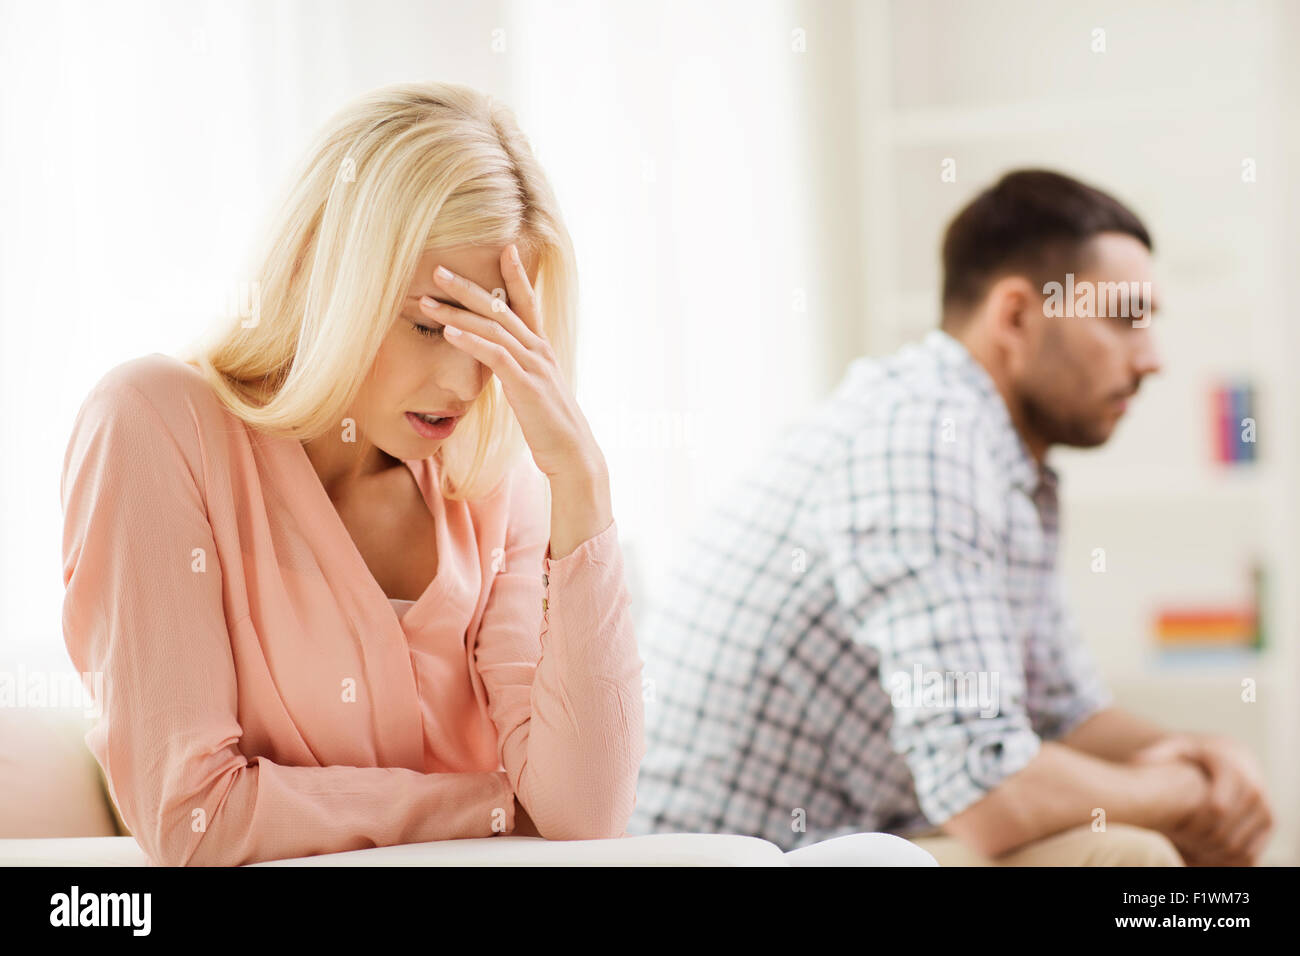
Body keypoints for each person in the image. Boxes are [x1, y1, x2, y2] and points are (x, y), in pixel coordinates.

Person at [60, 81, 644, 866]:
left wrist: (582, 478)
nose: (466, 385)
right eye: (431, 325)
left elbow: (585, 816)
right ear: (324, 276)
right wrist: (497, 810)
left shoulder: (500, 482)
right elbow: (195, 821)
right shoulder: (155, 425)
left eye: (496, 334)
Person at [627, 169, 1274, 866]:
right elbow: (991, 793)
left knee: (1174, 835)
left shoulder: (1001, 461)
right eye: (1123, 318)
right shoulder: (922, 439)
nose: (1152, 359)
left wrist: (1210, 760)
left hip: (860, 834)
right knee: (1126, 856)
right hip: (748, 854)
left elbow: (1068, 713)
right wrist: (1188, 792)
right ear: (1017, 317)